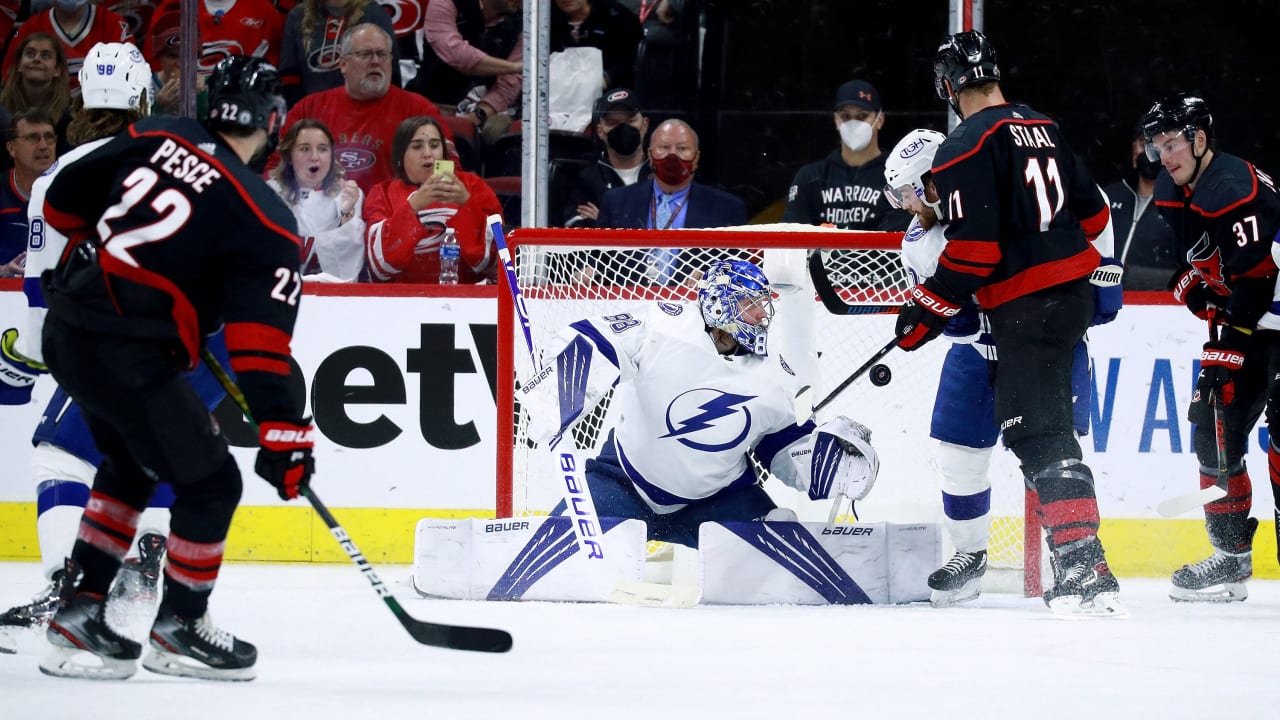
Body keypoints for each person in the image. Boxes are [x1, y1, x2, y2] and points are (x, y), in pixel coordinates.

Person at [33, 55, 314, 682]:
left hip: (69, 332)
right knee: (213, 485)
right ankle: (181, 626)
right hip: (130, 350)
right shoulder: (267, 218)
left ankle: (81, 609)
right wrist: (284, 435)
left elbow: (61, 205)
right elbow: (259, 349)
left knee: (133, 463)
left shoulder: (158, 133)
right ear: (272, 122)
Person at [896, 30, 1122, 617]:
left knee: (1039, 433)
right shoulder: (1042, 124)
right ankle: (1075, 563)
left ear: (948, 88)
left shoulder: (967, 144)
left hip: (1028, 305)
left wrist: (930, 304)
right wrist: (1102, 275)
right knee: (1026, 434)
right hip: (1060, 298)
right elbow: (1095, 213)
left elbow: (976, 254)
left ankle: (1085, 570)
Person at [522, 258, 880, 548]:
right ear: (720, 305)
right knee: (560, 544)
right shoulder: (663, 327)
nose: (762, 314)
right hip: (624, 482)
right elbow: (593, 337)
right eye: (749, 304)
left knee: (781, 536)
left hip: (718, 500)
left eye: (763, 304)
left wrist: (826, 463)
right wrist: (558, 389)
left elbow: (782, 445)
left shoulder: (775, 373)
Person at [1143, 92, 1280, 603]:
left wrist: (1226, 349)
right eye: (1156, 146)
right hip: (1250, 320)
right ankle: (1230, 559)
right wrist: (1192, 289)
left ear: (1200, 140)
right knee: (1211, 429)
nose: (1163, 155)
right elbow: (1178, 262)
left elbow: (1258, 281)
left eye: (1172, 143)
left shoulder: (1232, 187)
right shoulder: (1170, 188)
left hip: (1271, 317)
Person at [278, 23, 453, 195]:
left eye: (382, 54)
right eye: (366, 54)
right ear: (343, 63)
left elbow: (447, 166)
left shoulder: (419, 109)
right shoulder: (308, 108)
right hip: (319, 215)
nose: (376, 61)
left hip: (393, 213)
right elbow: (277, 167)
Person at [596, 118, 746, 284]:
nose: (672, 155)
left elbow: (740, 269)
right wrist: (590, 271)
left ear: (696, 158)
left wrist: (712, 276)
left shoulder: (727, 208)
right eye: (664, 147)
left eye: (682, 148)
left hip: (694, 304)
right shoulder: (616, 201)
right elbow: (598, 260)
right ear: (650, 155)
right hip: (629, 302)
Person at [364, 114, 501, 283]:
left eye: (435, 145)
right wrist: (413, 206)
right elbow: (380, 268)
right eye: (417, 147)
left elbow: (491, 262)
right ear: (400, 155)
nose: (428, 154)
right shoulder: (382, 193)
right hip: (402, 301)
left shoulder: (472, 186)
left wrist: (466, 205)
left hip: (466, 298)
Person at [782, 79, 911, 232]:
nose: (853, 123)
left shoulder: (897, 176)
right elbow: (792, 234)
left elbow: (900, 235)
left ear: (879, 120)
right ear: (836, 120)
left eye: (862, 116)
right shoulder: (810, 177)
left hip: (879, 256)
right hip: (819, 256)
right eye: (845, 116)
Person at [268, 118, 365, 282]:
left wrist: (347, 214)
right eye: (304, 149)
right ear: (289, 155)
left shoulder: (349, 194)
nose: (314, 157)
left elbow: (347, 274)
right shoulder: (270, 193)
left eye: (322, 149)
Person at [415, 0, 522, 146]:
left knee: (497, 130)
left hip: (487, 109)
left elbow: (511, 82)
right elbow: (455, 53)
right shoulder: (446, 3)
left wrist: (478, 114)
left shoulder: (527, 22)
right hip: (436, 101)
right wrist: (512, 67)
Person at [1103, 122, 1180, 290]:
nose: (1149, 152)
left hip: (1156, 308)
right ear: (1134, 149)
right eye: (1144, 144)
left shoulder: (1180, 206)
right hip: (1103, 303)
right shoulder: (1107, 197)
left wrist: (1133, 276)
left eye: (1157, 146)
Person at [278, 0, 399, 106]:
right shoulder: (298, 16)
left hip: (366, 108)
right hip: (314, 112)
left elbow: (391, 71)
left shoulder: (375, 14)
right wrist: (302, 112)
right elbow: (289, 74)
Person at [1, 1, 134, 93]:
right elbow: (9, 83)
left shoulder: (113, 24)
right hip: (41, 117)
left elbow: (131, 79)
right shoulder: (30, 27)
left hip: (97, 118)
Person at [0, 109, 58, 278]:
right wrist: (3, 271)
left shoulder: (71, 192)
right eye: (32, 138)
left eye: (49, 137)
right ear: (11, 148)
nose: (43, 146)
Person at [0, 33, 73, 166]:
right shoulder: (2, 112)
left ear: (57, 69)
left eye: (45, 56)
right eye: (30, 54)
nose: (37, 59)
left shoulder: (69, 118)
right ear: (19, 65)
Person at [551, 0, 643, 91]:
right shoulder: (546, 20)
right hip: (561, 91)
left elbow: (632, 62)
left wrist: (607, 78)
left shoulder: (616, 15)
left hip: (612, 92)